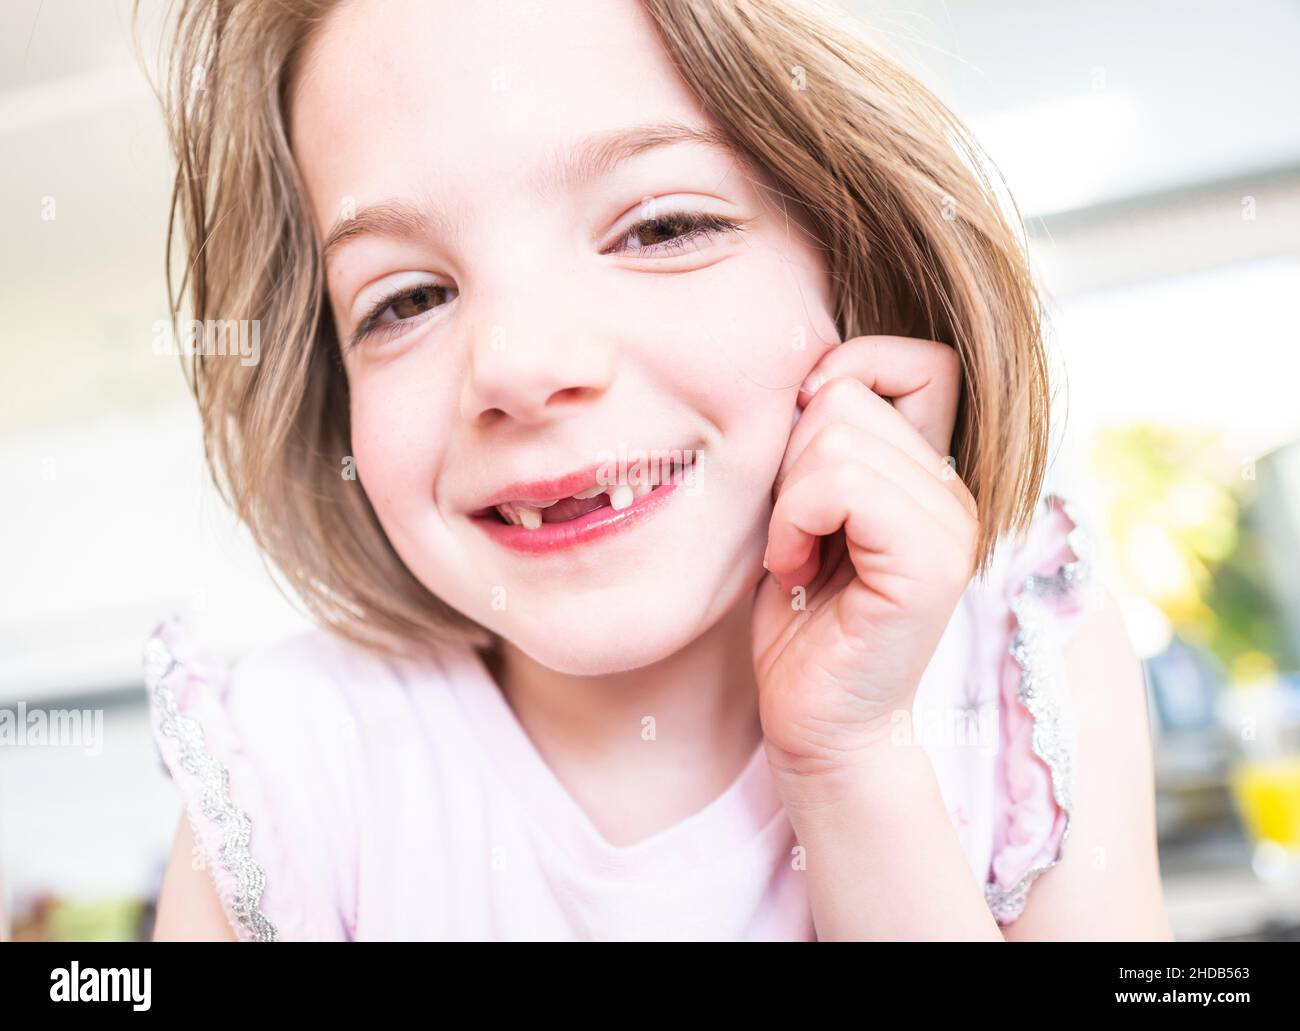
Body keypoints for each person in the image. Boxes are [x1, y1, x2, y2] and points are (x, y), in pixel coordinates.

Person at [144, 0, 1172, 941]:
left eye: (661, 225)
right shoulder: (289, 768)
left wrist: (851, 763)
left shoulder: (1015, 676)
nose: (517, 366)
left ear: (856, 267)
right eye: (405, 299)